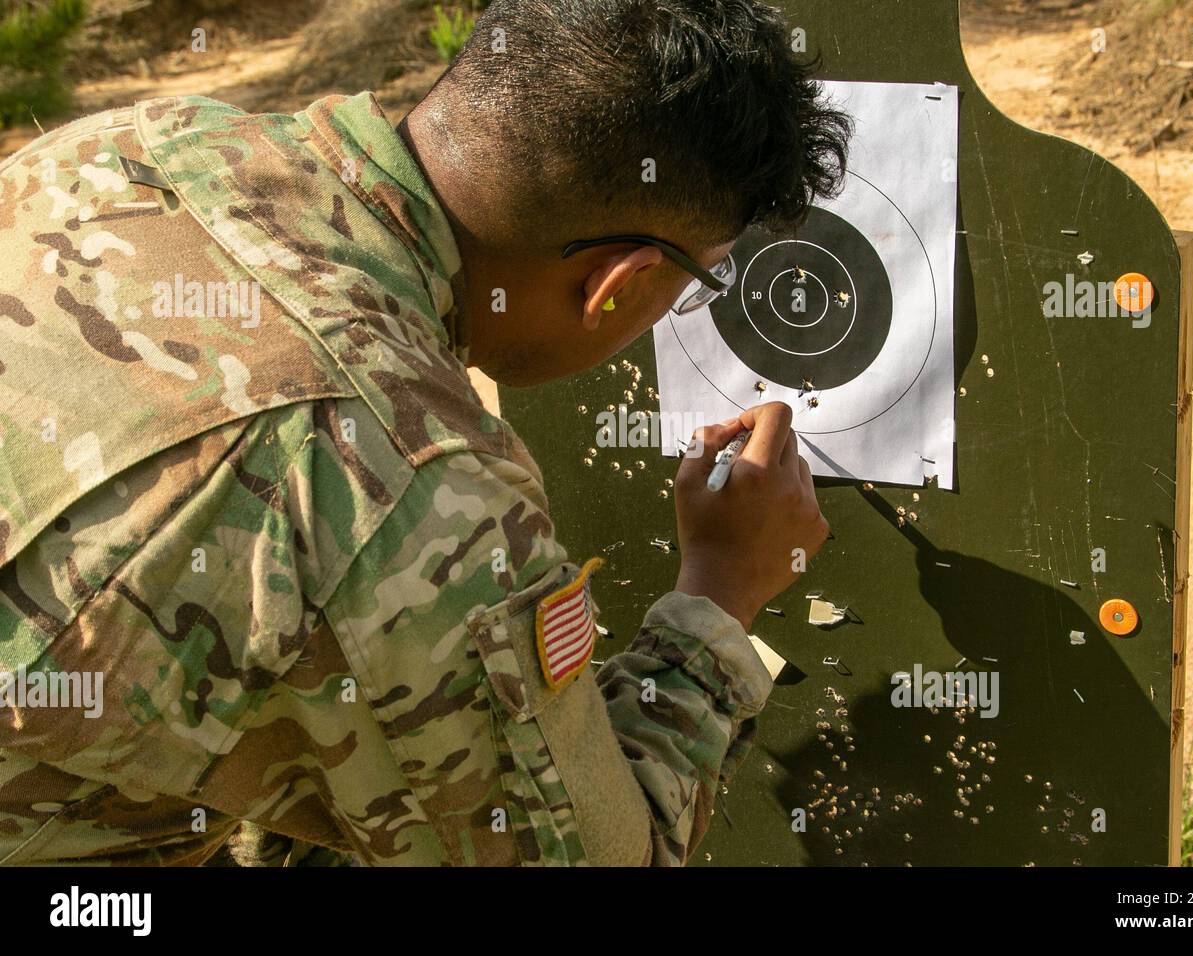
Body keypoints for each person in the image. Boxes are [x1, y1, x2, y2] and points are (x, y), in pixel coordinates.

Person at [0, 0, 849, 865]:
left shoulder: (135, 143)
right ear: (619, 285)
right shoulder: (419, 491)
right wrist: (720, 592)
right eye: (693, 284)